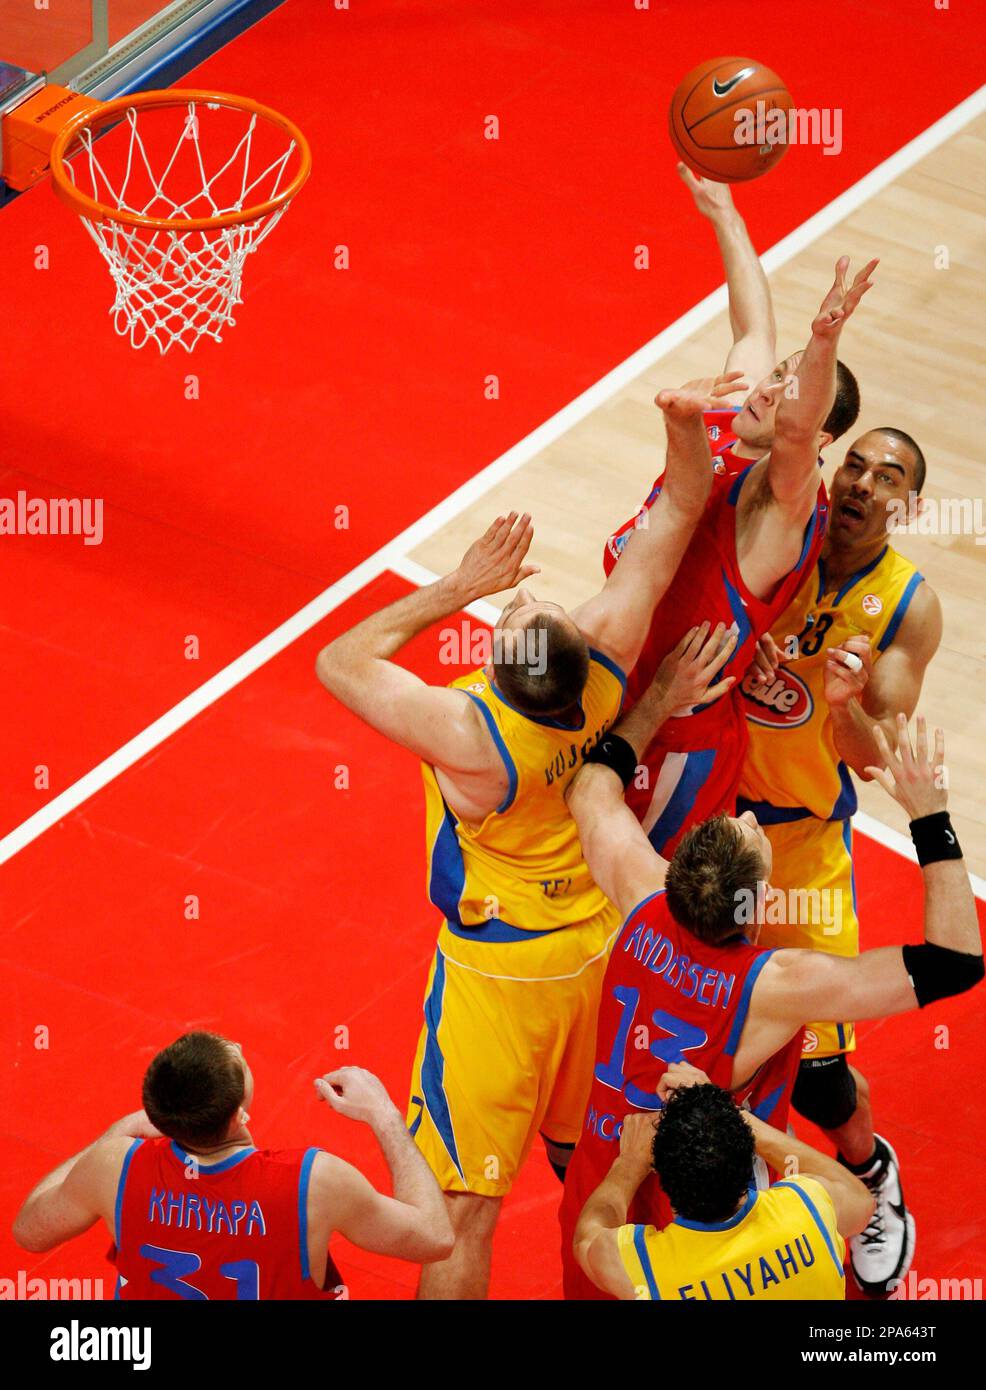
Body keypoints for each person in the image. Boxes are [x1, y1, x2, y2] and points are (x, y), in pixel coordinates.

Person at [315, 387, 732, 1299]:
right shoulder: (609, 658)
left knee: (462, 1211)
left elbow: (338, 662)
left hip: (501, 977)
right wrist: (682, 421)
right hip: (602, 952)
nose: (528, 601)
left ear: (496, 679)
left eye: (514, 615)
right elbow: (681, 506)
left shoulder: (470, 735)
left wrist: (461, 586)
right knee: (606, 1166)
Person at [558, 677, 982, 1299]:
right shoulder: (776, 985)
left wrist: (661, 698)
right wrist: (931, 817)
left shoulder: (640, 889)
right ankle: (873, 1173)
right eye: (751, 830)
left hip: (609, 1170)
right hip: (717, 1202)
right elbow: (955, 962)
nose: (752, 815)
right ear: (758, 903)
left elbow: (591, 788)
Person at [738, 426, 941, 1295]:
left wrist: (845, 701)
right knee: (709, 1044)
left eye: (887, 477)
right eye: (854, 464)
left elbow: (873, 756)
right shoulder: (783, 533)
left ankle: (870, 1175)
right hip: (714, 826)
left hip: (803, 844)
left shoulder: (907, 607)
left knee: (818, 1074)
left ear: (910, 506)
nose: (861, 482)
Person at [601, 253, 876, 856]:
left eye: (789, 391)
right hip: (619, 697)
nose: (770, 391)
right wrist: (723, 212)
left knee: (642, 898)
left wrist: (823, 339)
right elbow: (753, 327)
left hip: (672, 741)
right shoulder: (731, 421)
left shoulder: (783, 503)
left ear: (821, 436)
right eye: (776, 375)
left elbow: (795, 430)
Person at [12, 1033, 452, 1299]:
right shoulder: (312, 1182)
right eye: (238, 1062)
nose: (239, 1047)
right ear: (238, 1116)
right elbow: (434, 1238)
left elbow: (29, 1232)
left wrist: (117, 1131)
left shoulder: (114, 1166)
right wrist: (383, 1115)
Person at [574, 1061, 874, 1301]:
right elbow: (860, 1198)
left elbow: (587, 1237)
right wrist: (730, 1115)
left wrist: (630, 1162)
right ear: (747, 1158)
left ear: (662, 1175)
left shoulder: (647, 1268)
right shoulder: (806, 1210)